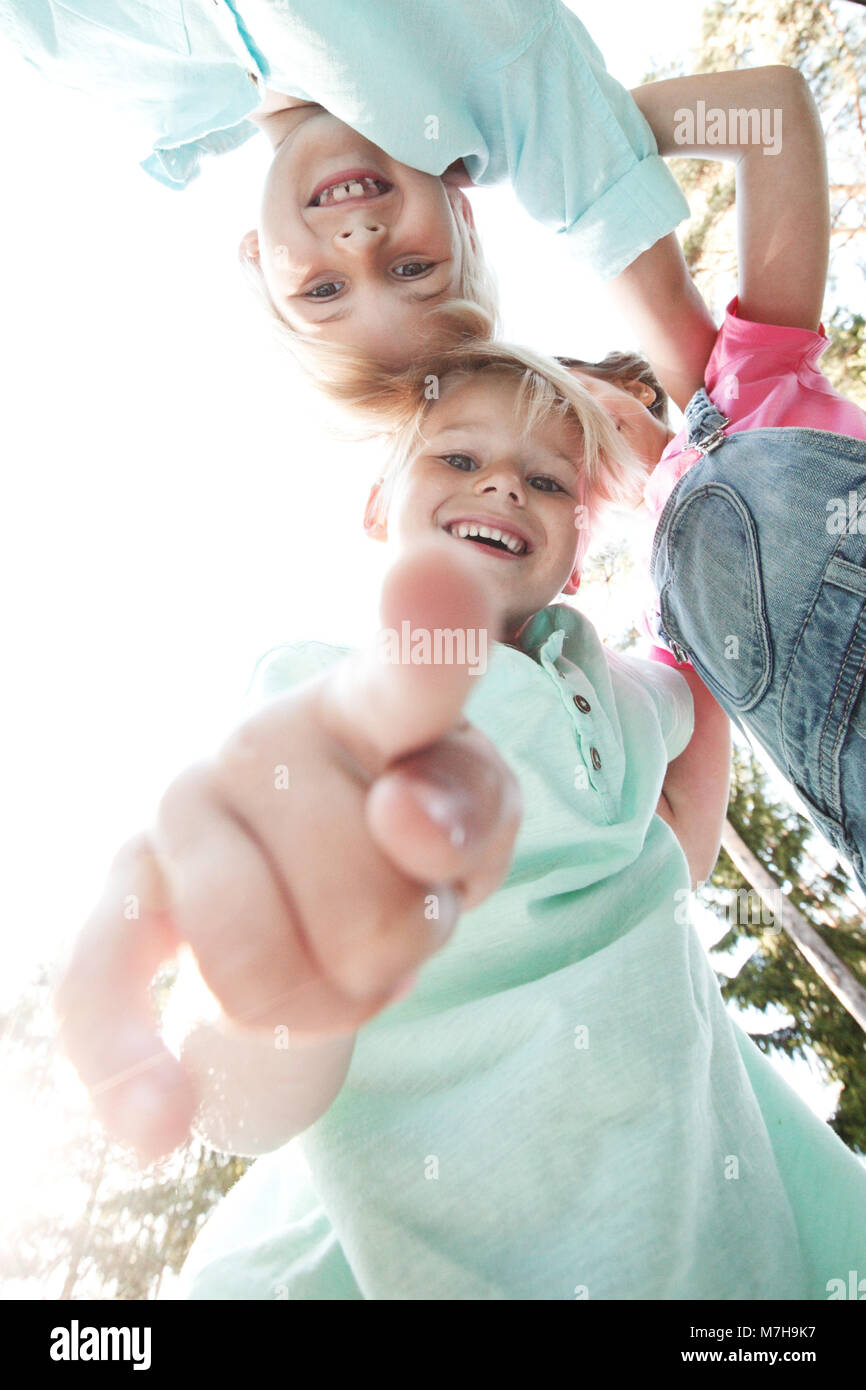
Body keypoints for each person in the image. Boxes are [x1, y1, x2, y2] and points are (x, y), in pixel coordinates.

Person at [55, 341, 866, 1299]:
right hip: (431, 1181)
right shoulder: (317, 691)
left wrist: (675, 491)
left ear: (575, 558)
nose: (503, 489)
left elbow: (689, 791)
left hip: (686, 1161)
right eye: (458, 459)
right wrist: (276, 996)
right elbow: (267, 859)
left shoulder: (616, 689)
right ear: (374, 508)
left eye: (546, 480)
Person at [0, 0, 699, 373]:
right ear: (464, 206)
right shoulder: (474, 63)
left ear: (256, 261)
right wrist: (718, 399)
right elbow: (597, 190)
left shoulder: (121, 94)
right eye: (413, 268)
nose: (361, 243)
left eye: (324, 290)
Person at [562, 65, 866, 895]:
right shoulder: (675, 636)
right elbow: (680, 858)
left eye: (559, 400)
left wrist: (571, 131)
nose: (567, 442)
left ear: (626, 385)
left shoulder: (746, 386)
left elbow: (770, 113)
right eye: (549, 470)